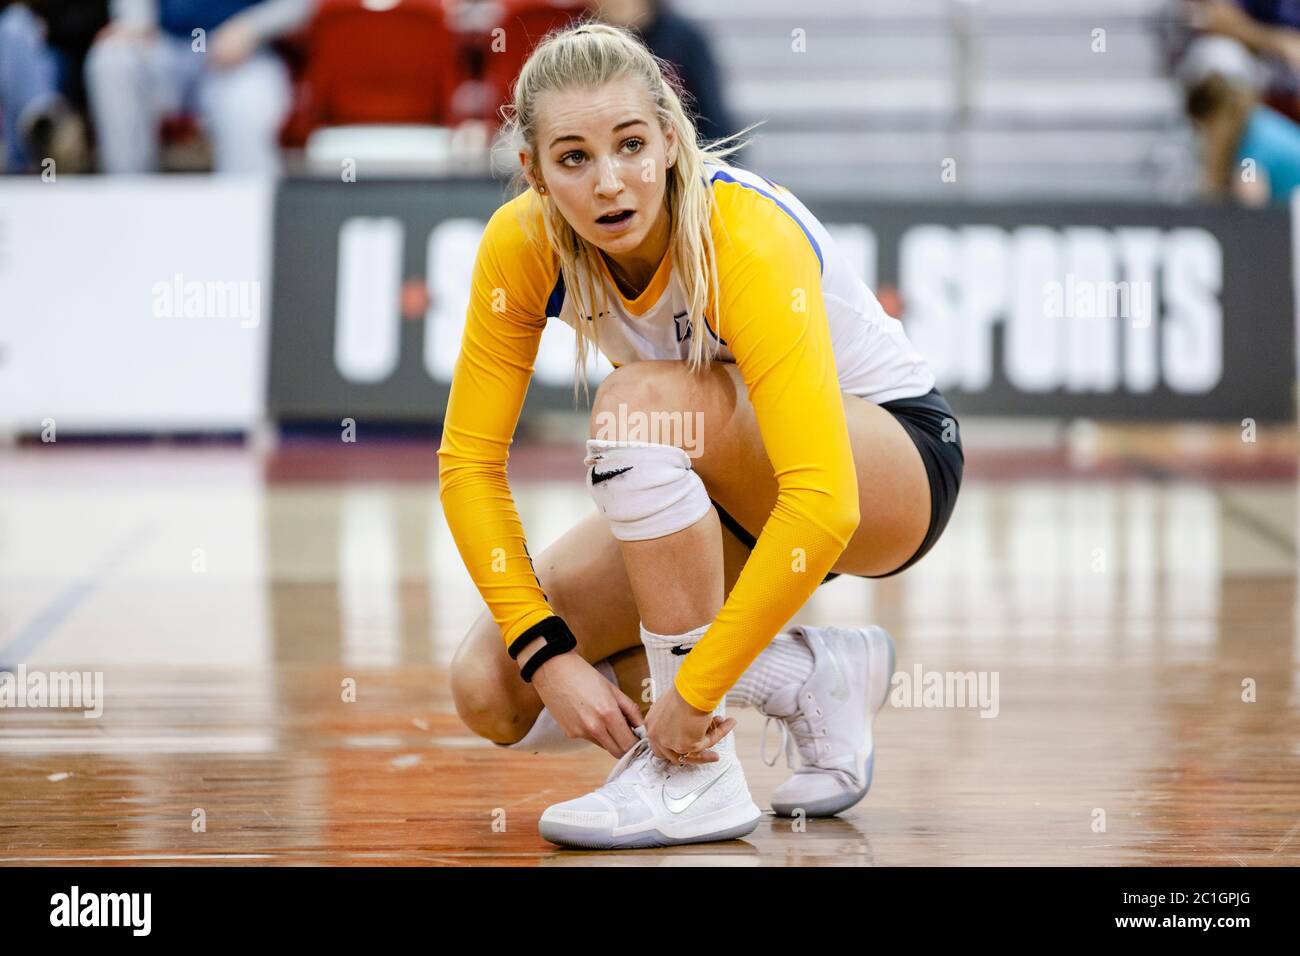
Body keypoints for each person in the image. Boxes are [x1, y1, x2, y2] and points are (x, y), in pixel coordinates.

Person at [438, 22, 963, 849]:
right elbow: (468, 465)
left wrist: (692, 694)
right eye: (574, 158)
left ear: (673, 139)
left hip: (884, 473)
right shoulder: (521, 245)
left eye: (632, 144)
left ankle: (696, 779)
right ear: (533, 172)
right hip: (724, 490)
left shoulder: (744, 236)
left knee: (640, 402)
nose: (611, 181)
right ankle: (813, 676)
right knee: (491, 687)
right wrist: (550, 659)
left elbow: (821, 504)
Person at [84, 0, 313, 174]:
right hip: (165, 45)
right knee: (112, 61)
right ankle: (127, 201)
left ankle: (242, 219)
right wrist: (135, 21)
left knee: (248, 106)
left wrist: (252, 28)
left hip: (244, 53)